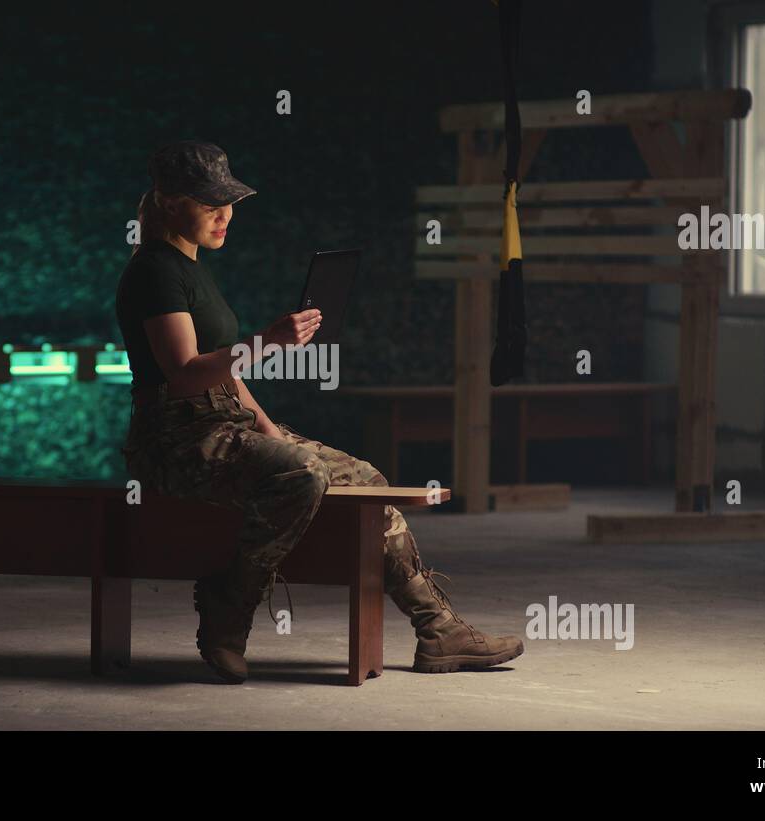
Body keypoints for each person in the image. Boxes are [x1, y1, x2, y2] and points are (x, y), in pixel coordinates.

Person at [115, 140, 523, 684]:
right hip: (174, 440)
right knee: (301, 472)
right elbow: (185, 371)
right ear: (168, 202)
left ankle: (437, 628)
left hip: (223, 426)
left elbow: (225, 374)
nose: (225, 215)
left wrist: (265, 425)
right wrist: (270, 340)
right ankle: (227, 610)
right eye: (210, 204)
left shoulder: (190, 267)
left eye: (229, 202)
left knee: (365, 480)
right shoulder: (154, 272)